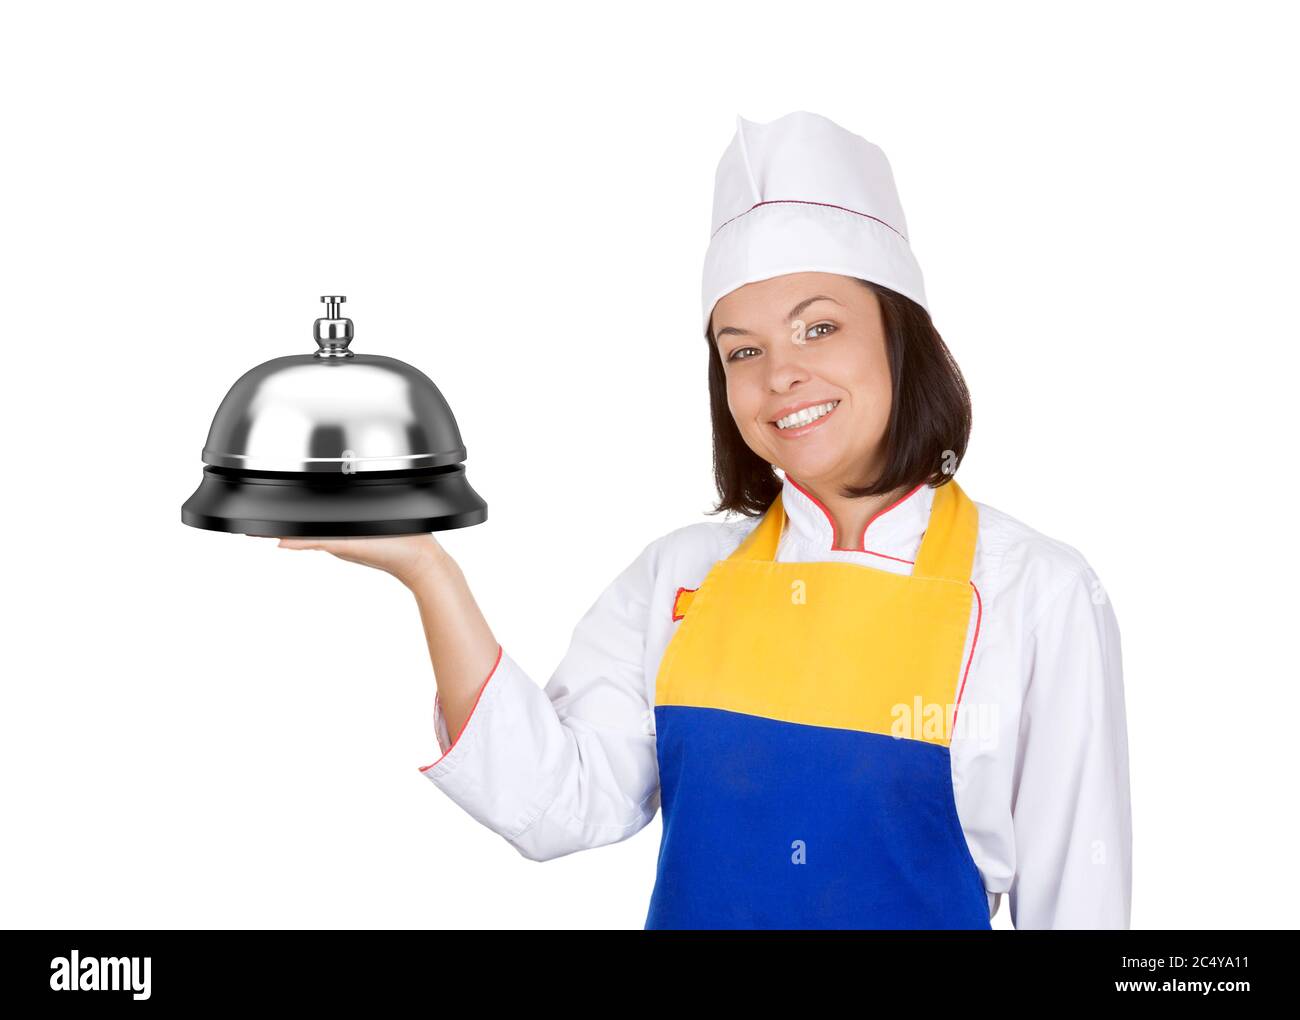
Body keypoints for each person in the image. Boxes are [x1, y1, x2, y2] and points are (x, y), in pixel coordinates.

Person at [273, 111, 1132, 930]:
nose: (779, 376)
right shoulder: (681, 575)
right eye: (742, 350)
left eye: (819, 328)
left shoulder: (1036, 591)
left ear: (900, 338)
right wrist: (429, 573)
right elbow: (555, 803)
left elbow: (1079, 901)